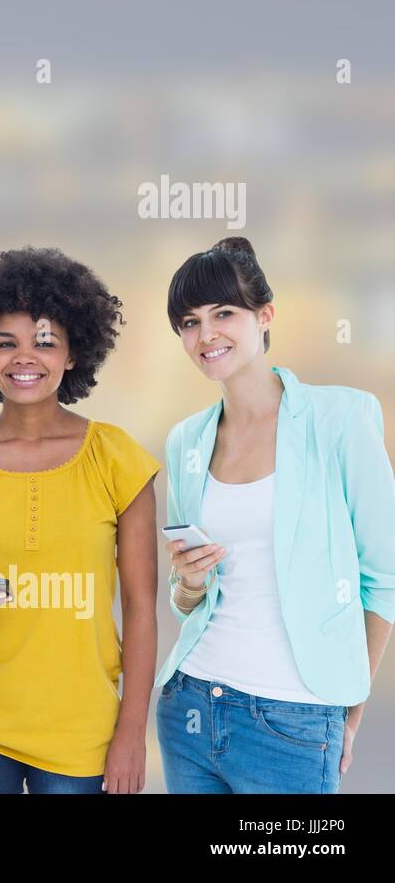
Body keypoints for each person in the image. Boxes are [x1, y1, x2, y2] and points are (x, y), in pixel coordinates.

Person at [0, 247, 158, 794]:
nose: (26, 357)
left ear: (72, 354)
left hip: (83, 732)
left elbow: (141, 608)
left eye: (45, 341)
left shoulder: (118, 459)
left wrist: (132, 733)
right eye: (6, 343)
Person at [154, 237, 394, 793]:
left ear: (265, 316)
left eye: (224, 313)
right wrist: (189, 581)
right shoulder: (186, 440)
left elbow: (382, 578)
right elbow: (187, 596)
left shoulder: (341, 419)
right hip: (191, 706)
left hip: (297, 720)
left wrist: (348, 714)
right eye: (189, 322)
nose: (205, 334)